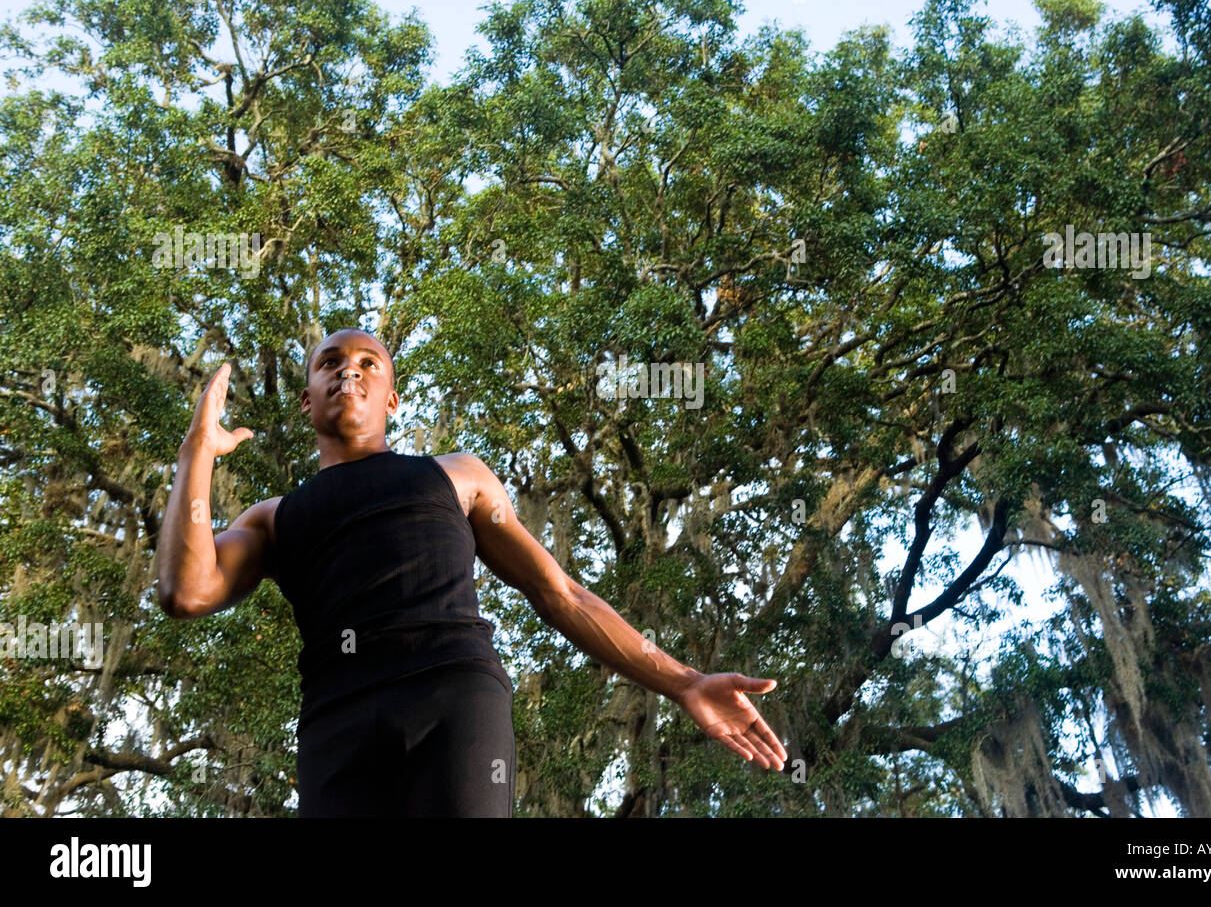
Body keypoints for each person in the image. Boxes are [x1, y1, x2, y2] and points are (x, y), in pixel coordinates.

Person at [156, 328, 787, 817]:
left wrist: (685, 682)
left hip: (453, 699)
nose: (349, 369)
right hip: (337, 721)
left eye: (369, 363)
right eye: (330, 363)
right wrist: (196, 455)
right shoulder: (273, 518)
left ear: (392, 399)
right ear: (307, 399)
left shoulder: (456, 476)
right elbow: (186, 592)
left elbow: (559, 592)